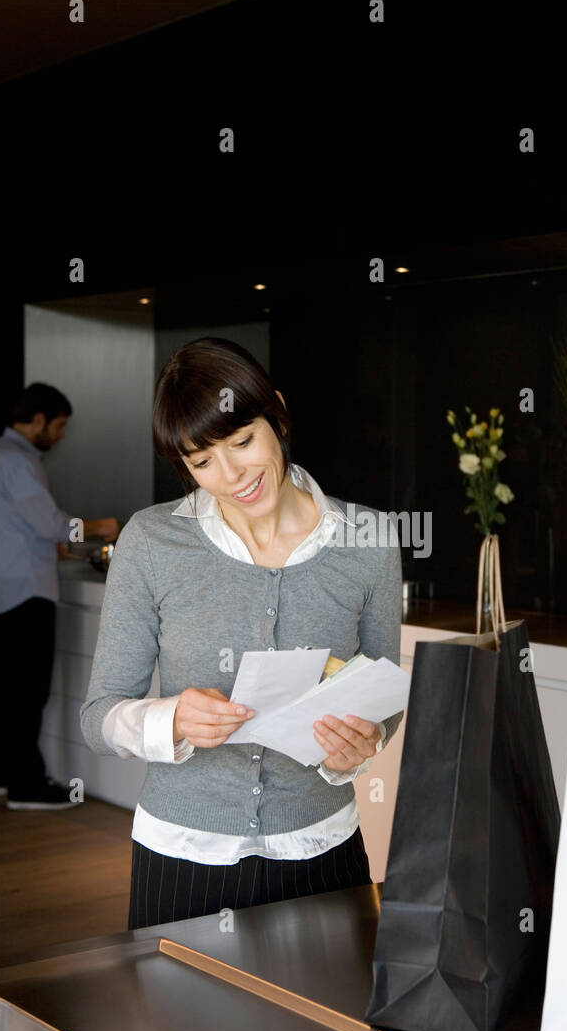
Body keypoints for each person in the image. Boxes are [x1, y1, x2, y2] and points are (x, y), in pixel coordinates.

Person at [80, 338, 404, 929]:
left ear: (275, 414)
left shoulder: (370, 540)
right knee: (181, 1022)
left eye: (242, 442)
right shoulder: (151, 543)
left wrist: (363, 742)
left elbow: (383, 695)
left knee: (327, 1022)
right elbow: (99, 715)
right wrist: (171, 719)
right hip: (183, 857)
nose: (231, 477)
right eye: (202, 463)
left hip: (323, 851)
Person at [0, 382, 119, 808]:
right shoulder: (18, 460)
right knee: (26, 694)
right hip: (26, 593)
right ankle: (27, 787)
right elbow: (51, 523)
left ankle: (1, 777)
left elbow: (17, 524)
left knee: (5, 693)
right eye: (58, 426)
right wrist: (100, 527)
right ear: (37, 420)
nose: (60, 435)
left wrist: (50, 542)